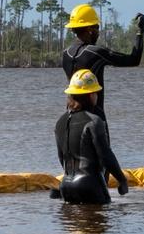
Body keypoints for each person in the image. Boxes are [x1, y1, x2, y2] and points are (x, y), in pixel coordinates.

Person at [53, 70, 128, 205]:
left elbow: (61, 158)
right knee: (97, 223)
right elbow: (106, 156)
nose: (97, 96)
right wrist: (122, 180)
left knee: (73, 224)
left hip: (66, 186)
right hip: (89, 184)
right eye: (95, 93)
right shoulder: (94, 121)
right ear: (90, 95)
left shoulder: (60, 122)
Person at [61, 3, 144, 116]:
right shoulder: (96, 52)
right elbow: (134, 60)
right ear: (89, 29)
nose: (98, 32)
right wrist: (140, 31)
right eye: (97, 27)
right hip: (94, 116)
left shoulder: (65, 53)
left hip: (70, 116)